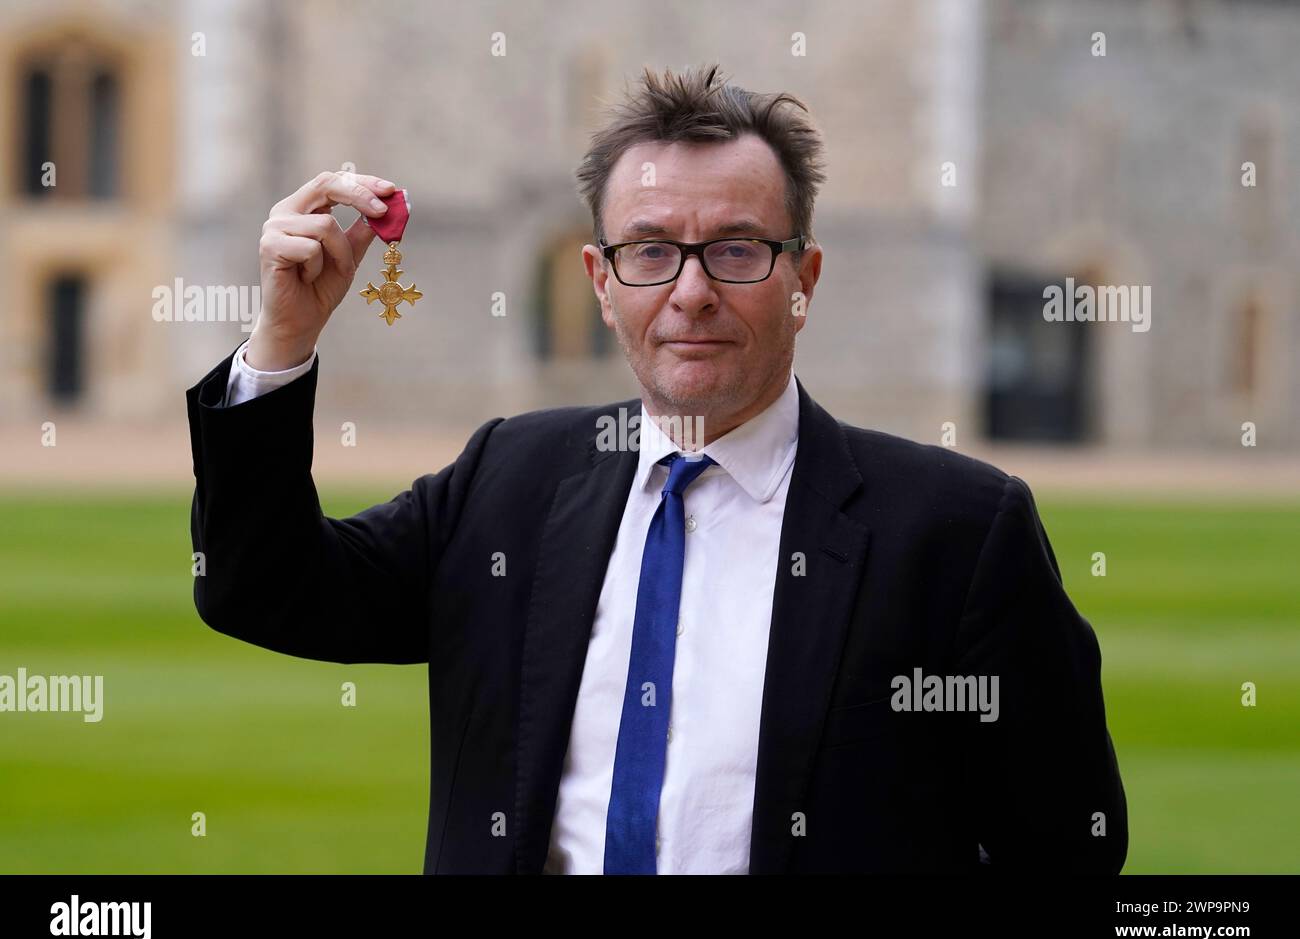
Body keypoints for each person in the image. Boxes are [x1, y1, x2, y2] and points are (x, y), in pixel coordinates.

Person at [186, 64, 1126, 874]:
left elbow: (1070, 842)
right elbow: (262, 587)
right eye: (650, 251)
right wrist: (282, 341)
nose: (691, 291)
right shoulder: (510, 479)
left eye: (737, 249)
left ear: (804, 280)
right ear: (601, 281)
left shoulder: (957, 531)